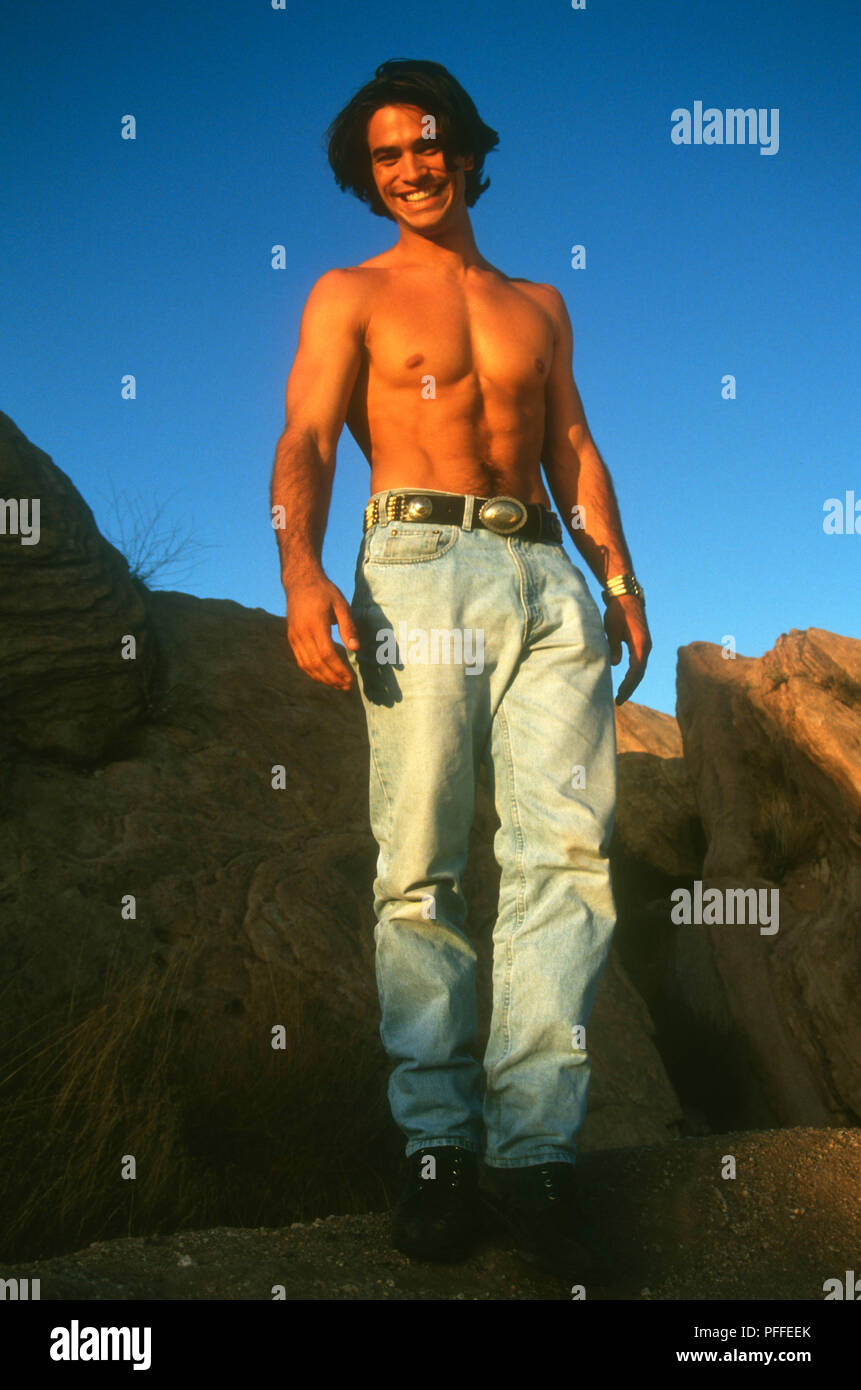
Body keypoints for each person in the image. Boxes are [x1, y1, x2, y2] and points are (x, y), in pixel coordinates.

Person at [270, 58, 651, 1278]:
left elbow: (575, 444)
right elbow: (307, 437)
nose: (412, 168)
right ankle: (436, 1145)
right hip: (417, 558)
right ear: (368, 175)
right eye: (387, 157)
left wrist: (622, 577)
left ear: (467, 150)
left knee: (566, 854)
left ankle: (534, 1155)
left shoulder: (541, 303)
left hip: (548, 575)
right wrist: (300, 575)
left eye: (428, 146)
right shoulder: (351, 292)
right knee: (421, 856)